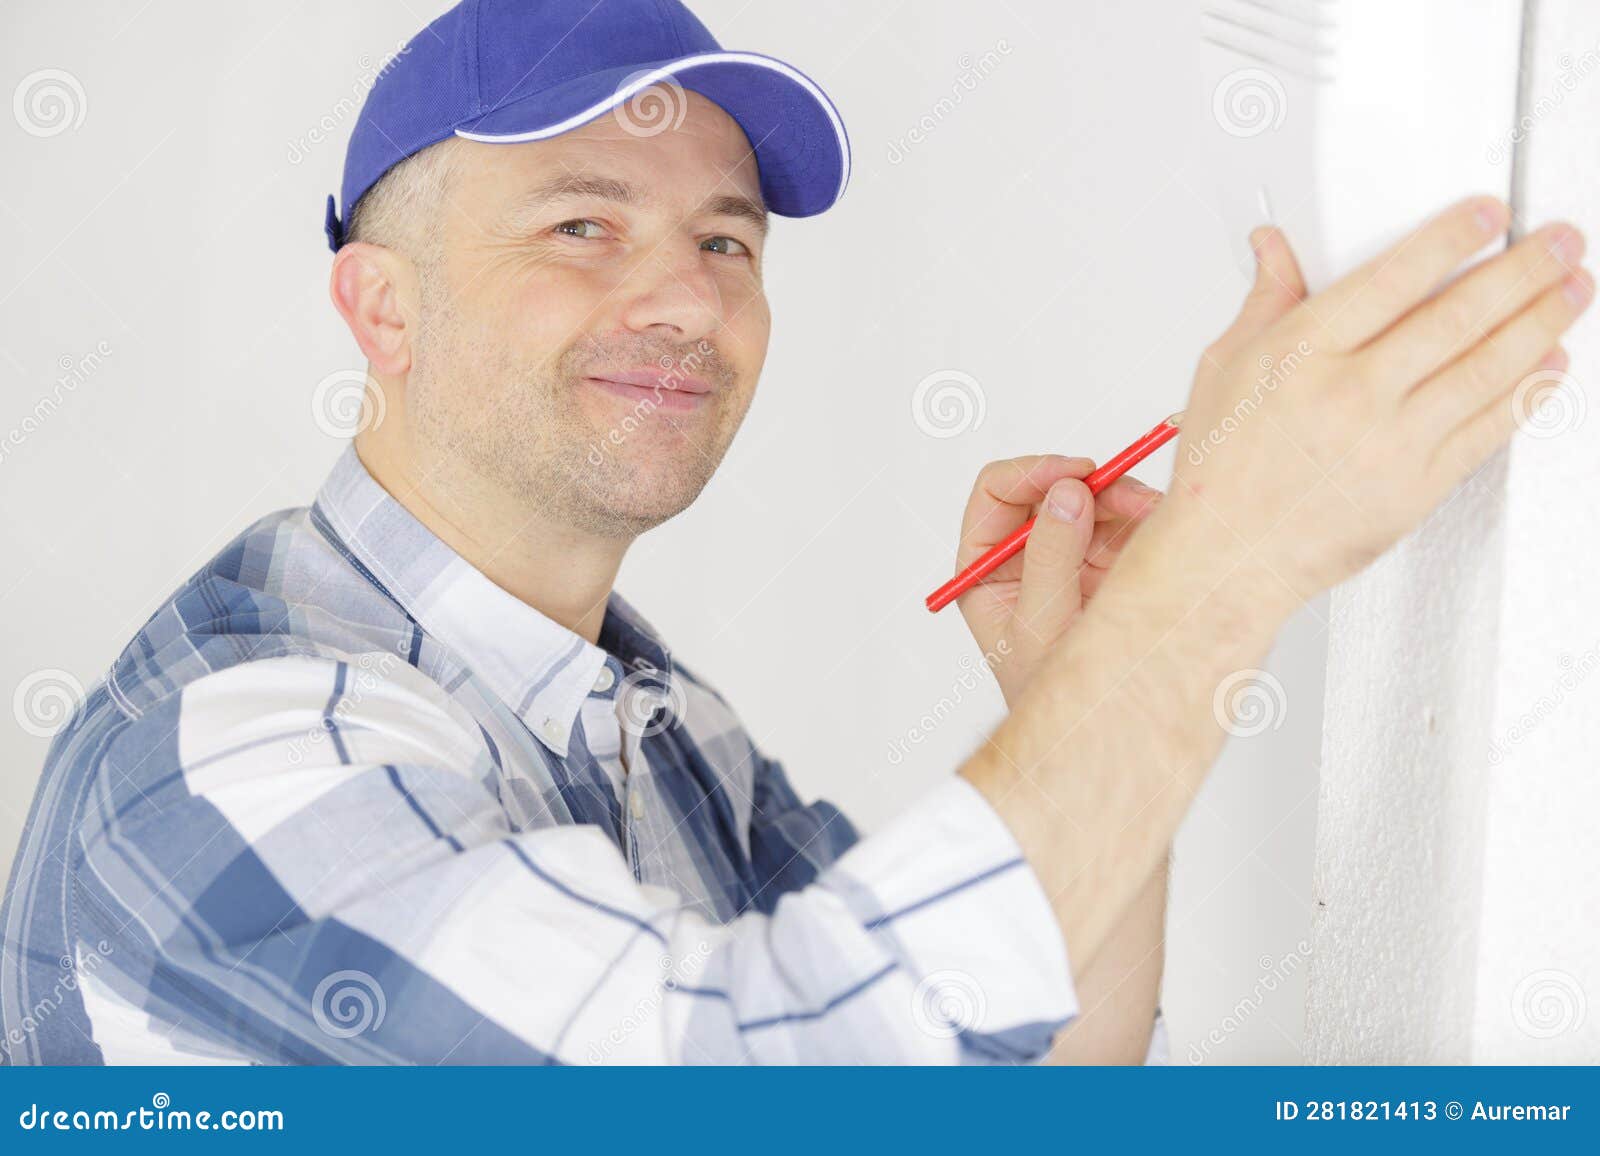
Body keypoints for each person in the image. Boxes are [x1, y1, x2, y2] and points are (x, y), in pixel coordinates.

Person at [1, 0, 1589, 1065]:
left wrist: (1090, 681)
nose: (687, 295)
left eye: (724, 237)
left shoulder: (658, 732)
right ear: (382, 306)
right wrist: (1230, 559)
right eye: (581, 224)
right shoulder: (239, 750)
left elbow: (1020, 1089)